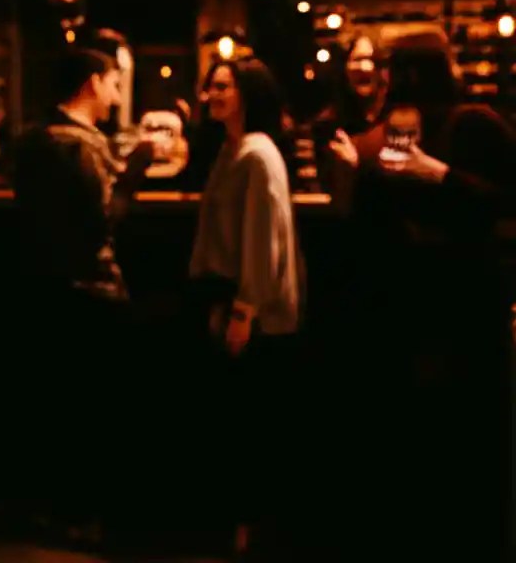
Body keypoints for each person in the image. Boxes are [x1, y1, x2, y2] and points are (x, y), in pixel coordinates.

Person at [326, 29, 515, 561]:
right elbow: (371, 223)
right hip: (407, 308)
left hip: (464, 304)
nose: (384, 79)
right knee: (419, 442)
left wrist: (443, 175)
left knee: (467, 435)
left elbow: (506, 200)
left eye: (394, 69)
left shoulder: (472, 123)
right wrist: (352, 175)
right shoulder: (394, 133)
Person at [12, 47, 155, 544]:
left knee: (55, 409)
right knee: (95, 413)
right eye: (113, 80)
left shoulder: (31, 139)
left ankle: (50, 510)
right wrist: (136, 169)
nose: (116, 91)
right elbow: (103, 221)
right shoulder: (82, 146)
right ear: (93, 82)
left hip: (39, 287)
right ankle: (87, 518)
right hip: (90, 290)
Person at [188, 57, 302, 561]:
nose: (212, 93)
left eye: (223, 86)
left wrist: (243, 310)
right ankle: (240, 526)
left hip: (251, 310)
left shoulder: (257, 155)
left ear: (248, 94)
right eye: (210, 86)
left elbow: (264, 240)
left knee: (252, 423)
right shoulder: (230, 150)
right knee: (239, 419)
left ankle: (251, 532)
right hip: (230, 299)